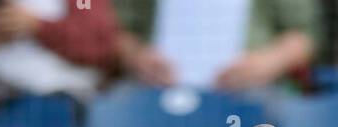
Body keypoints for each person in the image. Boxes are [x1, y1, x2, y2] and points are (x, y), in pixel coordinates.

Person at [113, 0, 320, 90]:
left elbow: (305, 35)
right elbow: (119, 32)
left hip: (252, 90)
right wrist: (137, 57)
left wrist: (269, 62)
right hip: (154, 88)